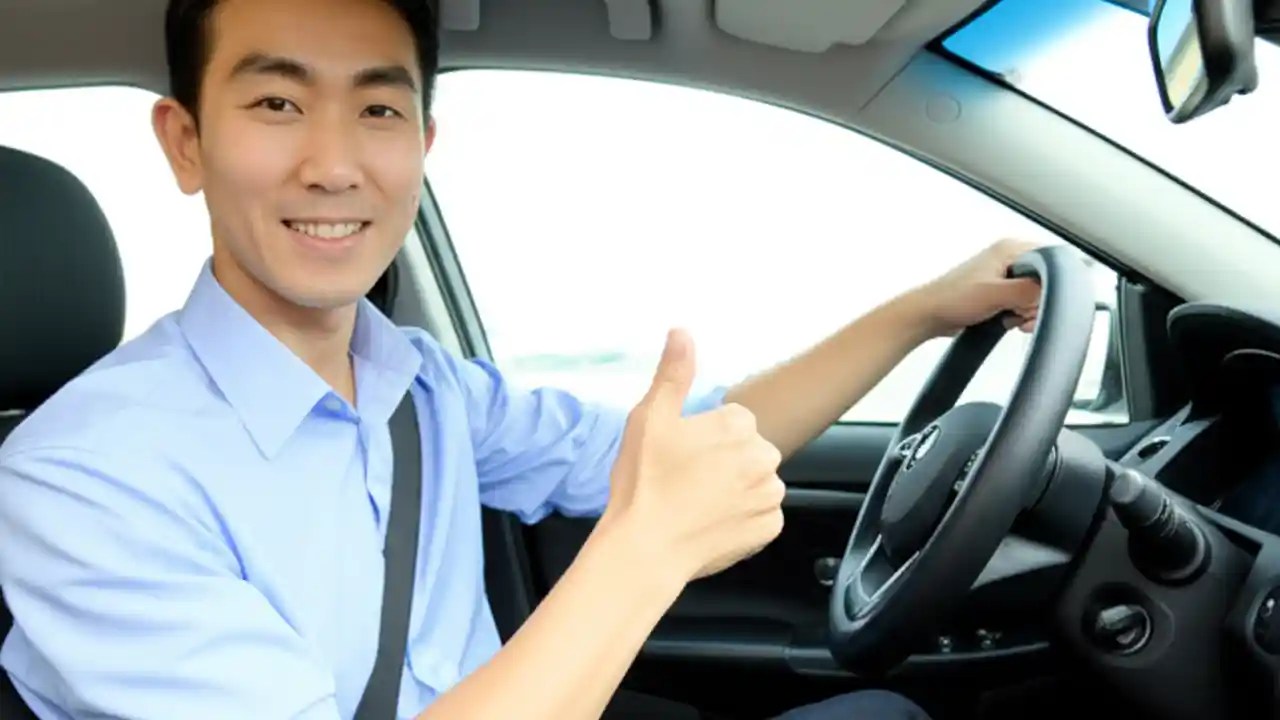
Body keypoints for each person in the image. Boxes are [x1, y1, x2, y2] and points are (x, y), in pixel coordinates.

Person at [0, 0, 1042, 718]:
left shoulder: (426, 384)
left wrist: (923, 311)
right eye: (276, 103)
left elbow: (693, 450)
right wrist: (644, 554)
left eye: (376, 108)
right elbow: (655, 520)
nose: (332, 164)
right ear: (185, 143)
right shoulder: (80, 479)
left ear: (420, 143)